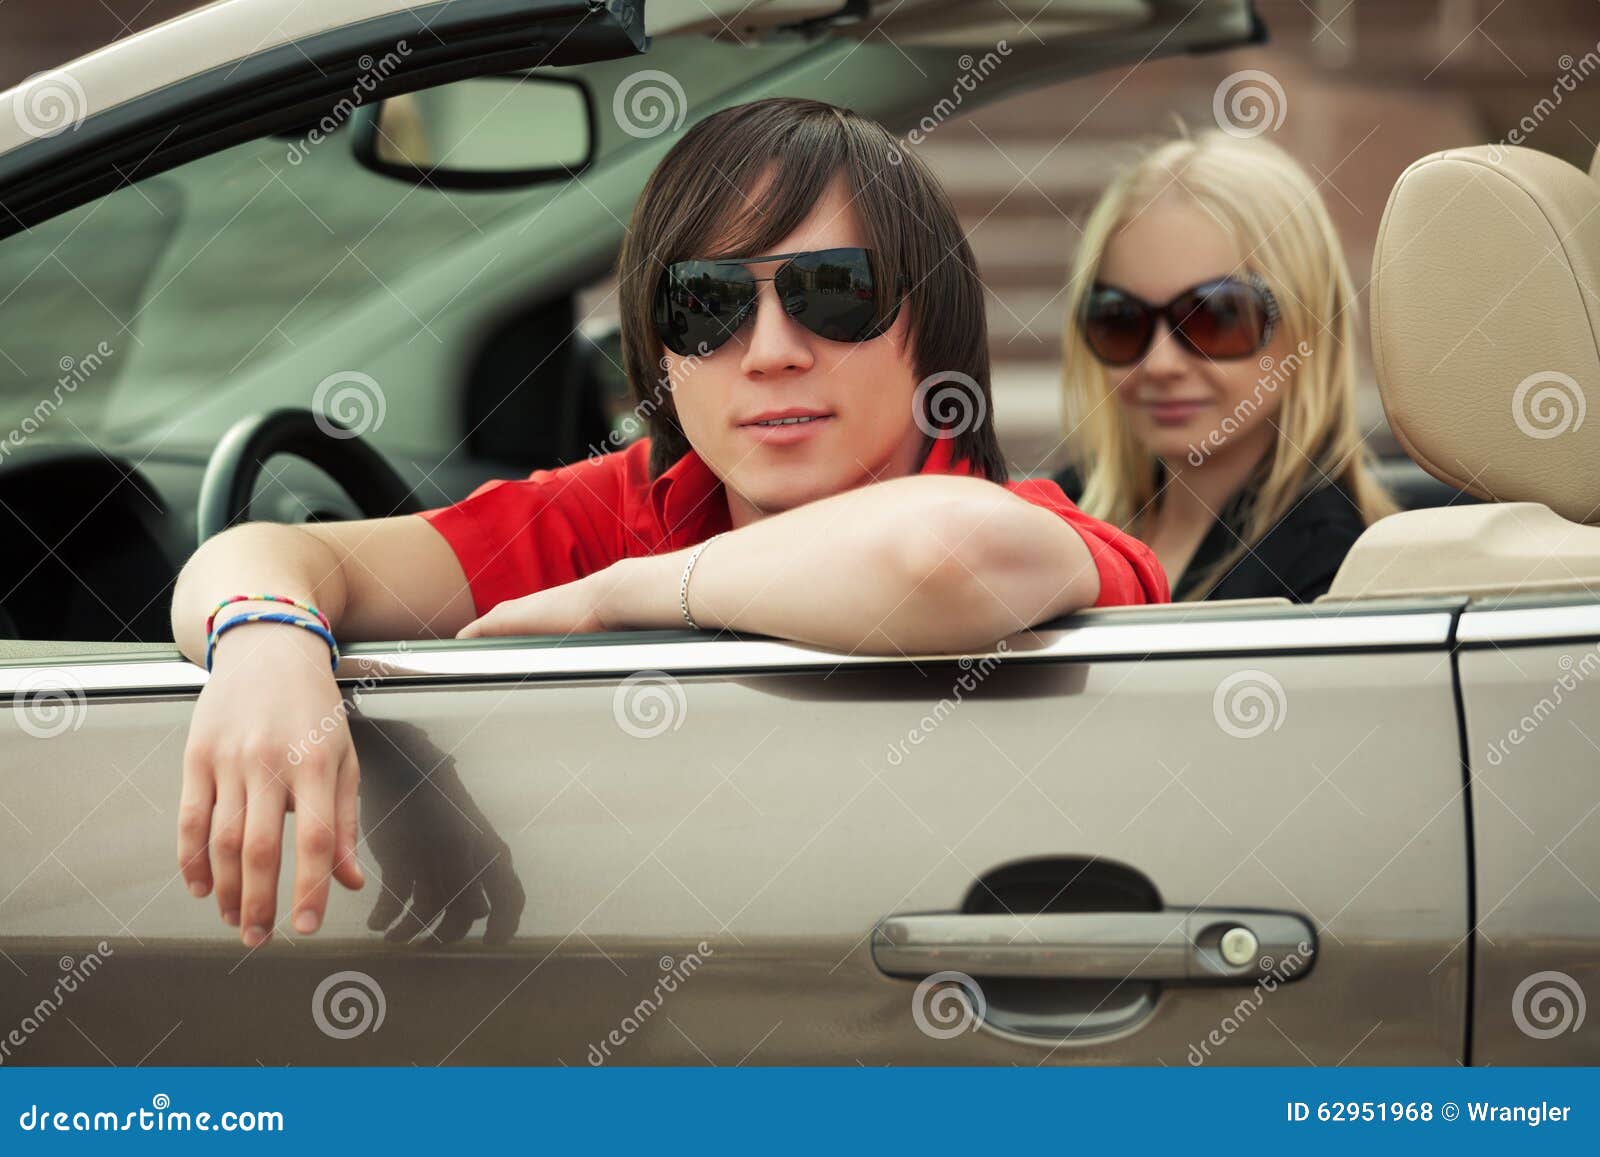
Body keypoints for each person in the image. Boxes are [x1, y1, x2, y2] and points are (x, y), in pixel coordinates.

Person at [171, 97, 1167, 948]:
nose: (770, 350)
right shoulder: (624, 504)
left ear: (931, 321)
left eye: (834, 293)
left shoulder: (1039, 535)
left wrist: (624, 595)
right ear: (659, 345)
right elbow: (267, 554)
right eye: (707, 304)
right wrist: (265, 640)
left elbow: (941, 554)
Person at [1054, 130, 1395, 602]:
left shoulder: (1334, 573)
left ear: (1309, 323)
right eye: (1121, 320)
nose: (1159, 364)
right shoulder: (1062, 514)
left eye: (1215, 317)